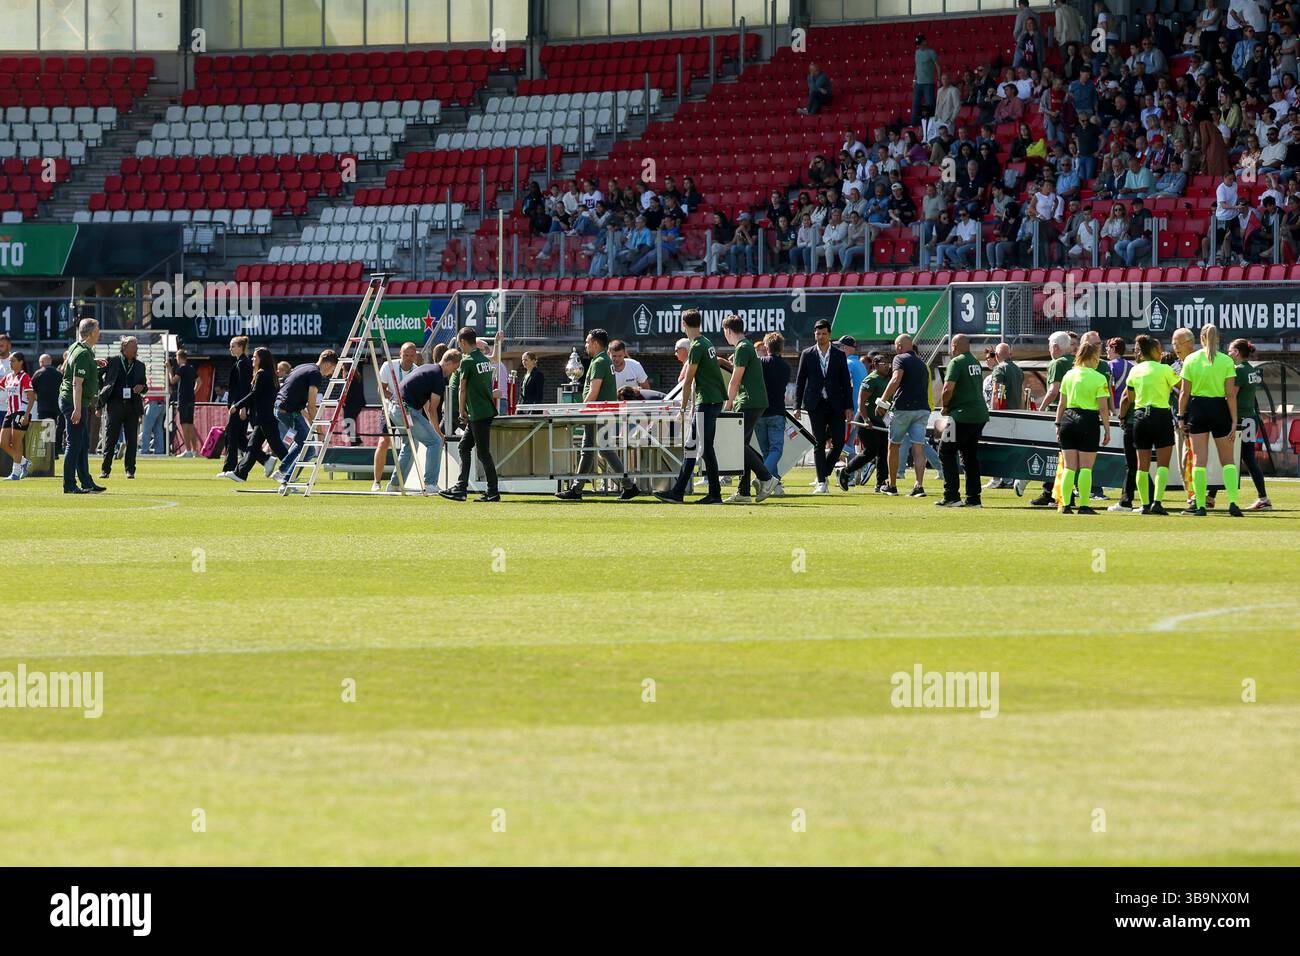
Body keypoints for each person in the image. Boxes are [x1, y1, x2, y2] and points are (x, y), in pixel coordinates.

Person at [556, 328, 639, 501]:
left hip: (598, 412)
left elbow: (594, 391)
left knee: (600, 449)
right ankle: (578, 489)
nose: (585, 345)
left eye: (587, 342)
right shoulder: (603, 360)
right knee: (592, 449)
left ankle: (627, 485)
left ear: (595, 343)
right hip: (601, 412)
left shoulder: (599, 362)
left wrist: (582, 410)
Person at [654, 308, 727, 504]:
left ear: (683, 324)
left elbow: (688, 380)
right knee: (695, 447)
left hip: (707, 401)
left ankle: (711, 494)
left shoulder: (696, 346)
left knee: (700, 448)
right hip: (712, 400)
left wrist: (683, 407)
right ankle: (684, 492)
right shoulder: (706, 342)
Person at [1178, 324, 1242, 517]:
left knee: (1199, 460)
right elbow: (1230, 394)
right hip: (1220, 409)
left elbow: (1184, 393)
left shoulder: (1191, 359)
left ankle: (1200, 505)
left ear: (1201, 337)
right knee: (1228, 460)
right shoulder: (1226, 361)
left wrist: (1181, 417)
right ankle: (1233, 503)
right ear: (1218, 338)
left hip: (1198, 409)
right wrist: (1233, 420)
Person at [1119, 334, 1180, 516]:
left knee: (1141, 465)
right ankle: (1157, 503)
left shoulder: (1134, 370)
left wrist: (1122, 416)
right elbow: (1181, 389)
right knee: (1162, 465)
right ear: (1154, 351)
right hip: (1161, 416)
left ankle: (1144, 504)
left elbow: (1129, 398)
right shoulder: (1164, 370)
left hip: (1140, 417)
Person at [440, 327, 501, 502]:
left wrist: (461, 411)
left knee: (483, 453)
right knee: (464, 447)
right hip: (485, 411)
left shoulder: (467, 361)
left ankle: (492, 491)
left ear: (462, 342)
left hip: (477, 413)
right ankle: (461, 488)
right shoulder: (484, 360)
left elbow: (462, 388)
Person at [388, 350, 461, 495]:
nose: (454, 371)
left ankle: (394, 484)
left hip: (394, 407)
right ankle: (430, 484)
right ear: (450, 363)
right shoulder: (438, 377)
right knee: (435, 442)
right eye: (455, 368)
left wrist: (434, 429)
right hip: (406, 410)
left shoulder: (429, 368)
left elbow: (427, 407)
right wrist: (439, 433)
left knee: (410, 444)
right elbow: (433, 409)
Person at [794, 319, 853, 495]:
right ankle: (821, 482)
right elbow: (800, 381)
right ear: (814, 334)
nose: (820, 337)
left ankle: (824, 471)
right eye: (818, 334)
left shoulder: (839, 354)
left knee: (839, 442)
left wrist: (848, 406)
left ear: (829, 334)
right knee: (819, 442)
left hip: (836, 403)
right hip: (815, 404)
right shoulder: (807, 353)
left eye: (824, 334)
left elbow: (845, 383)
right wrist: (797, 405)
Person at [721, 315, 776, 504]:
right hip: (753, 401)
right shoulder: (745, 347)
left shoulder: (742, 348)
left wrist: (727, 404)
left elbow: (735, 381)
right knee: (742, 446)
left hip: (749, 402)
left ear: (728, 330)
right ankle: (743, 492)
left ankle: (767, 478)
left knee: (737, 445)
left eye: (724, 332)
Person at [1055, 340, 1112, 515]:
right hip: (1088, 420)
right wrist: (1107, 429)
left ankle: (1065, 505)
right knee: (1086, 467)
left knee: (1069, 466)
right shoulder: (1099, 378)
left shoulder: (1069, 375)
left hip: (1068, 419)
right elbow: (1103, 408)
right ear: (1094, 357)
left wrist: (1058, 424)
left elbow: (1061, 404)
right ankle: (1084, 505)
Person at [936, 335, 989, 508]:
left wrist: (945, 406)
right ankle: (974, 498)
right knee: (970, 456)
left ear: (954, 346)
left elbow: (948, 388)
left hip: (960, 416)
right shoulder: (975, 362)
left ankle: (951, 495)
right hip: (979, 415)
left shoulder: (957, 362)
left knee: (946, 451)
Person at [876, 333, 932, 497]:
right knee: (918, 448)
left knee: (893, 445)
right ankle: (918, 485)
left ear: (899, 346)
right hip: (922, 409)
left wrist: (882, 401)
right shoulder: (922, 363)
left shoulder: (899, 359)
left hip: (902, 409)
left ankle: (892, 485)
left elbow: (895, 380)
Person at [273, 350, 339, 483]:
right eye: (332, 369)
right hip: (288, 411)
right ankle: (287, 480)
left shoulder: (303, 366)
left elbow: (296, 396)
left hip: (281, 408)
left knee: (302, 444)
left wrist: (310, 421)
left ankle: (282, 471)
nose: (330, 374)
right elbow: (312, 405)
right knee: (309, 450)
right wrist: (319, 431)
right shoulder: (316, 374)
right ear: (327, 364)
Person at [1028, 330, 1078, 507]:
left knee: (1053, 454)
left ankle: (1053, 493)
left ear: (1056, 347)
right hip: (1077, 413)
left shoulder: (1057, 364)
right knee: (1068, 458)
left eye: (1050, 346)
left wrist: (1040, 409)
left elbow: (1053, 390)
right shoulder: (1077, 362)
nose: (1049, 349)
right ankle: (1059, 492)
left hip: (1058, 413)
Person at [228, 347, 290, 484]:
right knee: (253, 446)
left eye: (255, 357)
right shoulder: (269, 373)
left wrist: (237, 406)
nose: (252, 359)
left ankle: (292, 471)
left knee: (277, 446)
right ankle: (240, 473)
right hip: (264, 417)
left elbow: (254, 394)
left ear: (262, 359)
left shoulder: (262, 374)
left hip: (265, 417)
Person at [59, 318, 106, 495]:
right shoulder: (84, 353)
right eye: (98, 329)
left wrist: (93, 364)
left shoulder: (77, 348)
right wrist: (77, 409)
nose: (99, 333)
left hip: (73, 400)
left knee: (83, 442)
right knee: (74, 442)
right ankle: (69, 485)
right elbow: (76, 384)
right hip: (74, 402)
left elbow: (66, 369)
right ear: (92, 332)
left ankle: (86, 481)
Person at [97, 335, 148, 480]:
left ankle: (130, 470)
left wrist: (141, 387)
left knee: (132, 440)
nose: (136, 349)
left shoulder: (140, 365)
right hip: (115, 404)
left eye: (136, 346)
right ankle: (105, 470)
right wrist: (103, 392)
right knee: (111, 439)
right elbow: (97, 376)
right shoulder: (112, 361)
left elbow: (145, 388)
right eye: (133, 346)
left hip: (132, 406)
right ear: (124, 347)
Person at [1229, 338, 1271, 511]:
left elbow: (1231, 395)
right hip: (1250, 419)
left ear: (1237, 352)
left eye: (1230, 350)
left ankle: (1264, 499)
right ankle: (1210, 496)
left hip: (1241, 420)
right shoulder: (1251, 369)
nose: (1228, 353)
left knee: (1235, 457)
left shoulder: (1239, 370)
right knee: (1238, 457)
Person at [840, 351, 891, 492]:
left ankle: (881, 482)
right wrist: (867, 419)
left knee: (883, 451)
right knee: (871, 450)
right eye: (883, 364)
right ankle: (846, 471)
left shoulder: (888, 379)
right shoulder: (871, 380)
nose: (887, 366)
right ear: (875, 365)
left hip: (880, 421)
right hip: (865, 419)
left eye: (888, 364)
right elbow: (861, 402)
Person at [373, 341, 419, 492]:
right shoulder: (388, 365)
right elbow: (381, 389)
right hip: (389, 409)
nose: (409, 358)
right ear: (400, 354)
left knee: (411, 444)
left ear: (416, 356)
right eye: (406, 355)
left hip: (407, 412)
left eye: (412, 355)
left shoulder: (417, 371)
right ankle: (376, 482)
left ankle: (397, 482)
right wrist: (396, 399)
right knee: (383, 442)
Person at [755, 331, 790, 495]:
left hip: (760, 411)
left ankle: (775, 486)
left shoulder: (760, 363)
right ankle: (763, 477)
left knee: (766, 452)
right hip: (777, 411)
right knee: (776, 450)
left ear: (766, 346)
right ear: (781, 347)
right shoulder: (786, 367)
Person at [214, 336, 253, 479]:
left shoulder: (243, 363)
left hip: (239, 406)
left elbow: (244, 387)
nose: (230, 349)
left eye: (233, 346)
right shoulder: (240, 362)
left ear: (241, 347)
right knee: (239, 439)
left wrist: (242, 407)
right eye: (230, 346)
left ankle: (228, 468)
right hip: (237, 406)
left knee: (231, 436)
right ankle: (265, 458)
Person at [0, 351, 34, 480]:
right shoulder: (8, 377)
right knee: (3, 442)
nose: (11, 363)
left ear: (21, 362)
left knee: (16, 443)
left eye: (13, 360)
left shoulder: (24, 377)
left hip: (21, 411)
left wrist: (26, 415)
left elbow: (31, 398)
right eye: (10, 361)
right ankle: (24, 462)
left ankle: (15, 472)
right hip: (10, 412)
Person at [30, 353, 63, 459]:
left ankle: (46, 452)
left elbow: (31, 389)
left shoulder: (38, 373)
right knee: (54, 428)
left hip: (43, 406)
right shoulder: (58, 374)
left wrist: (36, 398)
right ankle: (55, 451)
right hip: (56, 406)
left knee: (44, 429)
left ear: (42, 362)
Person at [169, 348, 201, 457]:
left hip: (183, 399)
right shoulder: (191, 368)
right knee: (191, 425)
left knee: (184, 425)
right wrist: (193, 392)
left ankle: (188, 450)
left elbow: (173, 380)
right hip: (191, 399)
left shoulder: (181, 368)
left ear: (179, 357)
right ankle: (195, 451)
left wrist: (169, 369)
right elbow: (199, 382)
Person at [912, 35, 940, 126]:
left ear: (924, 42)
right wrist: (914, 80)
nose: (919, 46)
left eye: (920, 43)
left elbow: (937, 66)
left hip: (928, 83)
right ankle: (914, 124)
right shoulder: (917, 52)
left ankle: (931, 123)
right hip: (919, 83)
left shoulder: (931, 52)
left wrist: (938, 79)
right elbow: (917, 66)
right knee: (915, 104)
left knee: (930, 104)